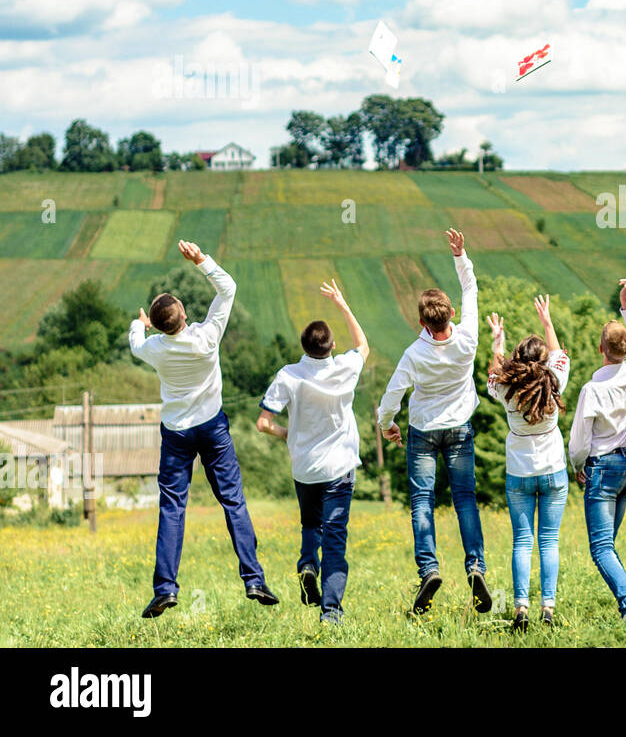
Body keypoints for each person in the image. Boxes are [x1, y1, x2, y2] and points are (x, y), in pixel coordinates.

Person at [129, 240, 278, 619]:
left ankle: (165, 588)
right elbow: (228, 288)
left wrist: (139, 324)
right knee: (233, 500)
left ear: (161, 325)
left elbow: (135, 344)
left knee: (173, 507)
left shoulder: (155, 349)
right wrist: (200, 261)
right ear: (183, 315)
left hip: (176, 434)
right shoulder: (206, 337)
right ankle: (254, 578)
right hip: (213, 428)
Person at [377, 228, 492, 616]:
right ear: (451, 315)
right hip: (460, 429)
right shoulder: (469, 339)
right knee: (464, 500)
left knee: (422, 501)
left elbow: (392, 395)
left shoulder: (413, 353)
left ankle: (429, 569)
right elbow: (471, 290)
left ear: (423, 324)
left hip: (423, 432)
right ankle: (475, 565)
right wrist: (460, 256)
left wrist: (386, 424)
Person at [255, 279, 369, 624]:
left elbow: (262, 423)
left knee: (310, 522)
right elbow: (363, 345)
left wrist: (286, 433)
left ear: (303, 347)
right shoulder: (345, 367)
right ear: (332, 345)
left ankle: (307, 564)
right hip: (339, 467)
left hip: (304, 467)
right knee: (334, 536)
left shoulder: (289, 375)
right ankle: (330, 611)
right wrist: (343, 304)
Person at [569, 277, 626, 622]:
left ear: (601, 349)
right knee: (608, 544)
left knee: (601, 547)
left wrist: (577, 466)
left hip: (602, 467)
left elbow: (578, 442)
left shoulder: (592, 389)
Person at [487, 296, 571, 631]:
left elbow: (495, 370)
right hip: (553, 471)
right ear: (544, 361)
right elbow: (559, 355)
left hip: (519, 472)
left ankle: (520, 607)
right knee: (549, 540)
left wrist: (498, 337)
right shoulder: (554, 381)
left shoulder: (505, 386)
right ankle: (547, 608)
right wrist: (547, 320)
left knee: (522, 540)